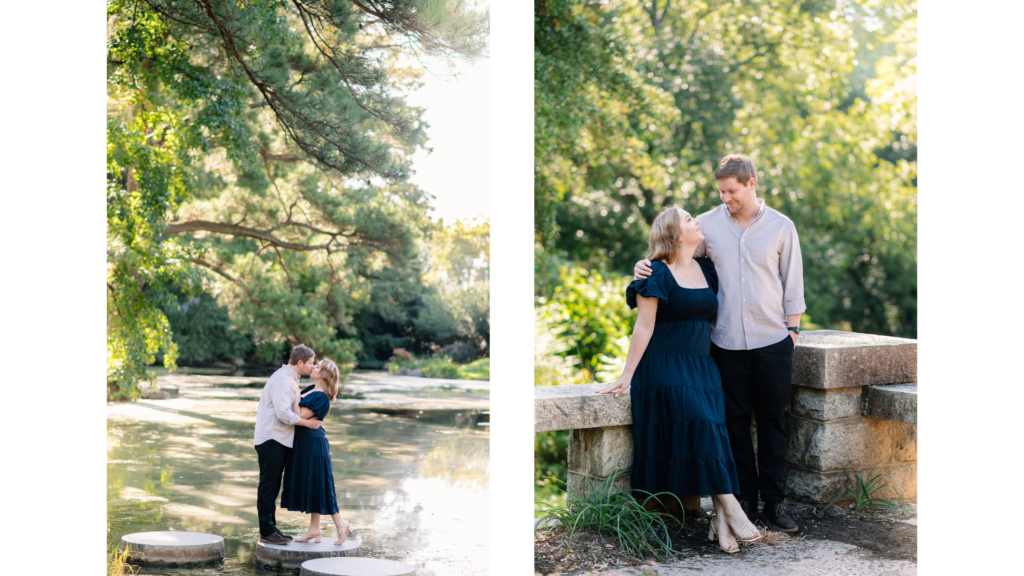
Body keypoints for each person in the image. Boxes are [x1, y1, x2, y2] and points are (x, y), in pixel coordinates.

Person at [631, 154, 804, 532]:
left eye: (732, 191)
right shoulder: (707, 225)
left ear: (752, 183)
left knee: (774, 422)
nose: (726, 198)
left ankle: (774, 504)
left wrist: (792, 333)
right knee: (734, 424)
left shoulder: (781, 226)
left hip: (772, 339)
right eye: (722, 192)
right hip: (724, 344)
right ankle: (743, 500)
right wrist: (642, 268)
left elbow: (793, 284)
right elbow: (676, 260)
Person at [596, 204, 761, 554]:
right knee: (701, 425)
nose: (696, 222)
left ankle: (721, 524)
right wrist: (628, 374)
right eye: (689, 219)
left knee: (715, 434)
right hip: (663, 367)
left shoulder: (706, 269)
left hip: (702, 367)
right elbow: (644, 325)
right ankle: (732, 508)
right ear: (674, 234)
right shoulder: (654, 273)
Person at [253, 344, 323, 545]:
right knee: (268, 485)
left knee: (274, 486)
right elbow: (283, 414)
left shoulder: (290, 379)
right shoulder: (282, 380)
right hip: (271, 439)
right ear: (300, 362)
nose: (312, 367)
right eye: (310, 363)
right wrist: (307, 423)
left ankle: (271, 527)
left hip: (279, 439)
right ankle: (266, 531)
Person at [281, 359, 355, 545]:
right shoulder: (310, 389)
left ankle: (340, 523)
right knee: (314, 483)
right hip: (304, 443)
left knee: (321, 484)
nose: (313, 367)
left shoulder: (321, 395)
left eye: (317, 366)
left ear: (324, 375)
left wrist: (295, 390)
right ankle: (315, 528)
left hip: (313, 445)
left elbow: (299, 414)